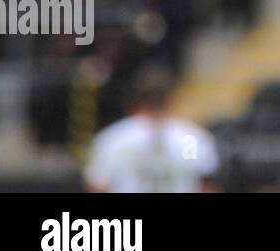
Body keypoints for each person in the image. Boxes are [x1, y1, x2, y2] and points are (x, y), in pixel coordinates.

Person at [84, 64, 218, 192]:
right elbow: (206, 187)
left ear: (134, 99)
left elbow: (98, 187)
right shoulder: (192, 138)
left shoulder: (113, 139)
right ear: (170, 99)